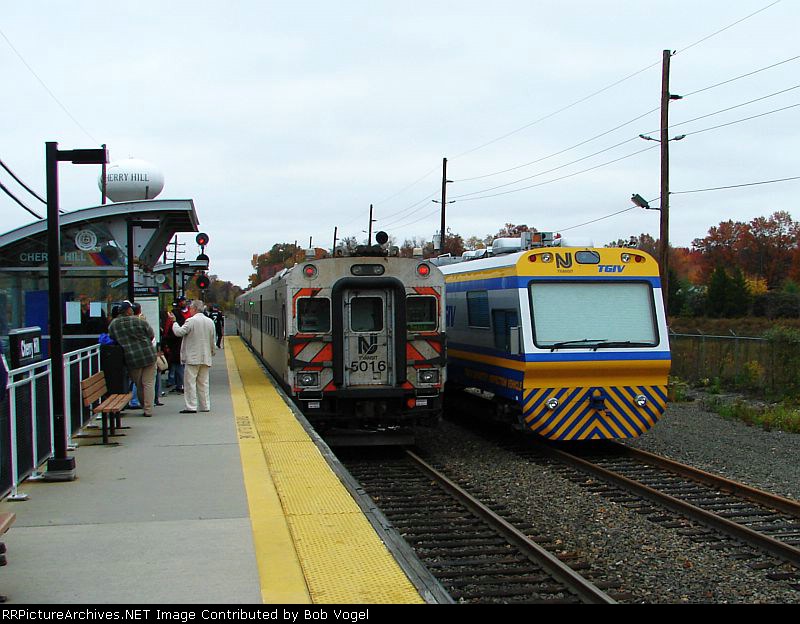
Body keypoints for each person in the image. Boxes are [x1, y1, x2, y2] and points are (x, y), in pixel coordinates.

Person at [108, 300, 157, 417]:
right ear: (129, 310)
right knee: (149, 383)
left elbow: (112, 338)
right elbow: (151, 334)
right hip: (148, 354)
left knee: (139, 384)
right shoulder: (138, 321)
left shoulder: (113, 325)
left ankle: (143, 405)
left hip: (132, 358)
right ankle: (148, 409)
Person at [169, 300, 216, 414]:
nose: (189, 310)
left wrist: (174, 322)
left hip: (192, 358)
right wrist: (212, 352)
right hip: (205, 357)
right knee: (203, 383)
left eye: (191, 308)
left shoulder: (191, 321)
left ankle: (191, 406)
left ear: (194, 309)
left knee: (190, 383)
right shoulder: (210, 322)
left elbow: (179, 332)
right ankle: (205, 405)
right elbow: (212, 340)